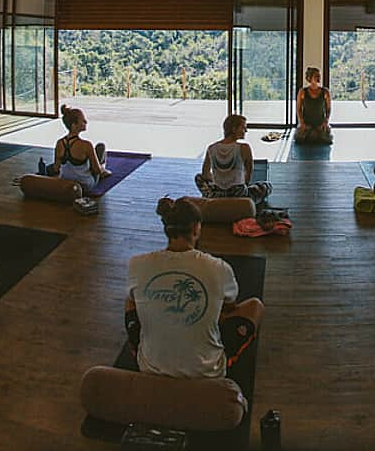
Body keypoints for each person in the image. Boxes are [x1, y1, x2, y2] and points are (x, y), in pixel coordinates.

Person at [125, 197, 264, 379]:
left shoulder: (136, 264)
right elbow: (230, 306)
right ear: (197, 228)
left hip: (150, 367)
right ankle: (221, 355)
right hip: (207, 372)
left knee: (130, 300)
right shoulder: (219, 268)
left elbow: (133, 302)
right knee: (255, 306)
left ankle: (142, 347)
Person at [196, 113, 271, 203]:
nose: (246, 130)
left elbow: (205, 173)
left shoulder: (211, 148)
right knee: (266, 186)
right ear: (234, 129)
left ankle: (211, 197)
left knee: (199, 177)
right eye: (243, 128)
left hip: (218, 193)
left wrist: (219, 179)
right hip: (238, 194)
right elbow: (248, 174)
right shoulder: (245, 147)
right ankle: (246, 201)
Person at [47, 104, 109, 189]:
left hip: (65, 184)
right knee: (101, 147)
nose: (86, 122)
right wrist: (100, 168)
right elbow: (96, 170)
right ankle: (104, 169)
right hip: (85, 185)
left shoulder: (59, 143)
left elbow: (56, 168)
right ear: (74, 125)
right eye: (83, 121)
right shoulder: (86, 145)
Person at [294, 66, 332, 144]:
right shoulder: (302, 92)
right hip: (306, 123)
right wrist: (302, 123)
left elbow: (328, 109)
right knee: (301, 139)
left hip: (320, 123)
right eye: (316, 76)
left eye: (319, 75)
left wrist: (325, 121)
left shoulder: (325, 91)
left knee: (324, 139)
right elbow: (298, 109)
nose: (318, 77)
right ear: (309, 78)